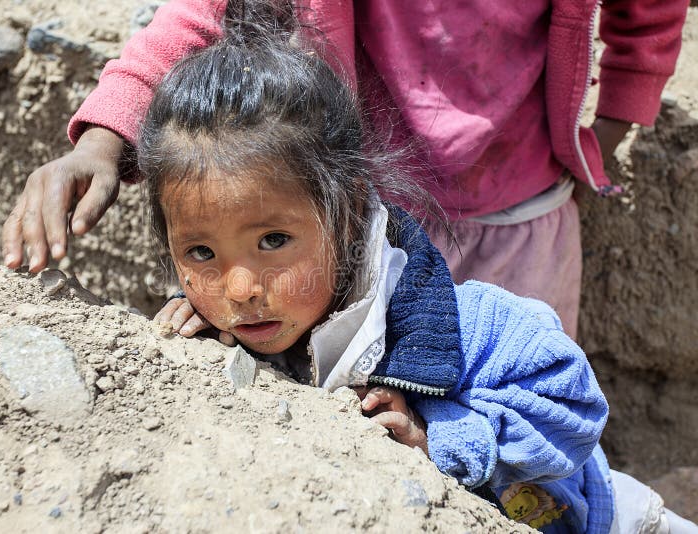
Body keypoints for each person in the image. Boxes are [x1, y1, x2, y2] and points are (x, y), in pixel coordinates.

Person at [135, 3, 696, 532]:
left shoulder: (471, 323)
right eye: (201, 253)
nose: (239, 289)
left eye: (273, 240)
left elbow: (574, 406)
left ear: (348, 215)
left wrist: (440, 436)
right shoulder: (257, 313)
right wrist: (195, 328)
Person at [1, 0, 689, 340]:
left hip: (522, 216)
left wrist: (610, 128)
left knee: (513, 392)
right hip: (360, 224)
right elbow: (204, 13)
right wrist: (100, 142)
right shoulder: (331, 236)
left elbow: (650, 16)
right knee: (364, 404)